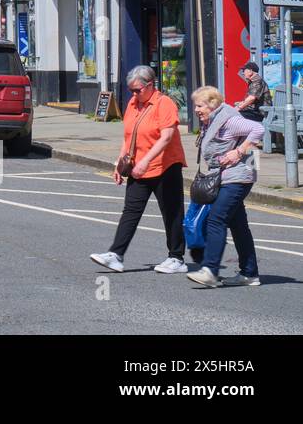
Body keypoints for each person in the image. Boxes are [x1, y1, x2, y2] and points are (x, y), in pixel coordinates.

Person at [90, 65, 189, 274]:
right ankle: (116, 254)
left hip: (165, 166)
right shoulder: (134, 104)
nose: (134, 94)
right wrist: (119, 162)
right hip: (138, 168)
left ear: (150, 85)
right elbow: (129, 136)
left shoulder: (164, 104)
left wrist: (146, 160)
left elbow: (167, 137)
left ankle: (177, 258)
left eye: (137, 90)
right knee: (131, 211)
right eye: (131, 91)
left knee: (172, 212)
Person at [187, 86, 263, 288]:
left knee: (216, 219)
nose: (196, 109)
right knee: (238, 225)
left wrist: (238, 152)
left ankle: (210, 270)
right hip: (228, 175)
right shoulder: (213, 119)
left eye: (199, 105)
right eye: (195, 105)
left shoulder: (229, 120)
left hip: (238, 175)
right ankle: (249, 273)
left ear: (212, 104)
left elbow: (258, 129)